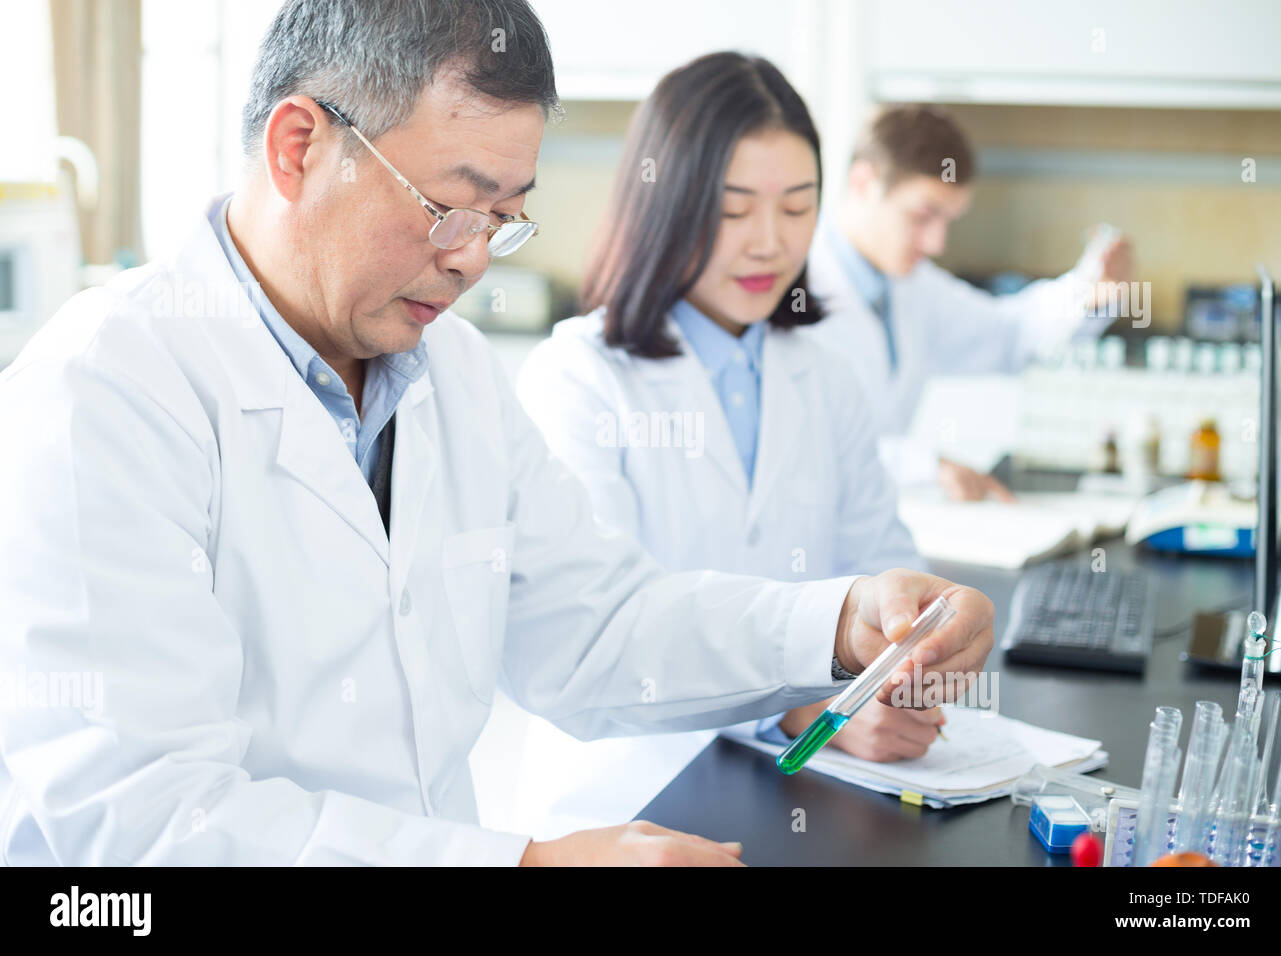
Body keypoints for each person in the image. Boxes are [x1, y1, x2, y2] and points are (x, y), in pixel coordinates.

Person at [0, 0, 994, 866]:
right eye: (448, 208)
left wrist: (837, 621)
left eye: (503, 218)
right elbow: (146, 820)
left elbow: (598, 627)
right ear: (297, 146)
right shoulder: (104, 391)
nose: (473, 258)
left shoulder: (457, 375)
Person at [510, 52, 946, 837]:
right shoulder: (576, 378)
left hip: (808, 793)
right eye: (734, 210)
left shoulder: (826, 378)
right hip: (625, 801)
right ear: (665, 204)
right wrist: (796, 706)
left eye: (797, 207)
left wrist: (895, 676)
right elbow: (600, 636)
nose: (770, 243)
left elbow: (881, 562)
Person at [805, 105, 1135, 501]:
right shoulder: (793, 292)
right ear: (863, 183)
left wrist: (1089, 291)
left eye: (947, 220)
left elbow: (1008, 334)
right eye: (923, 216)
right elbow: (812, 445)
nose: (937, 243)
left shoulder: (914, 287)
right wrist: (927, 467)